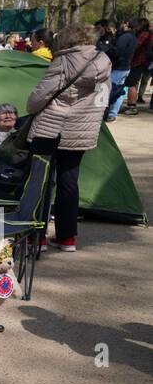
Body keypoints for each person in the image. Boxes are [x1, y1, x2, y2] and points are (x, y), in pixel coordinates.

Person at [26, 22, 112, 252]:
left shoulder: (63, 61)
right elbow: (102, 100)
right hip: (81, 130)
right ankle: (67, 238)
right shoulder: (104, 63)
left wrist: (30, 107)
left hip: (50, 129)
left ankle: (37, 237)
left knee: (41, 182)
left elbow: (39, 96)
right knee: (69, 182)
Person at [106, 18, 136, 121]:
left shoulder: (125, 37)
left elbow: (117, 51)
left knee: (111, 90)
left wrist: (108, 51)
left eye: (122, 23)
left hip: (119, 67)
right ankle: (113, 113)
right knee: (120, 91)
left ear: (126, 23)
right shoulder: (132, 36)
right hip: (125, 67)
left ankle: (109, 113)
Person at [124, 18, 152, 111]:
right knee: (134, 83)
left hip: (139, 61)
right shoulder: (144, 34)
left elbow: (135, 45)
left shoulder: (144, 34)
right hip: (139, 61)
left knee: (132, 83)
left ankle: (132, 106)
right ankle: (131, 104)